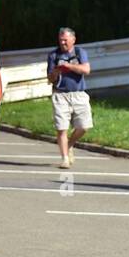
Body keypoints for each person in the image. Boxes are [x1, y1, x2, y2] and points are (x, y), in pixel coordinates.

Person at [47, 27, 92, 168]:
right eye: (60, 39)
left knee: (84, 126)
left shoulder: (79, 52)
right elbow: (49, 78)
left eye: (65, 40)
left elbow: (86, 70)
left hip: (79, 93)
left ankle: (70, 144)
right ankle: (65, 159)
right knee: (61, 128)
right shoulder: (53, 55)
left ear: (73, 39)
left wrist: (69, 66)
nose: (62, 42)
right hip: (60, 94)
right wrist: (56, 71)